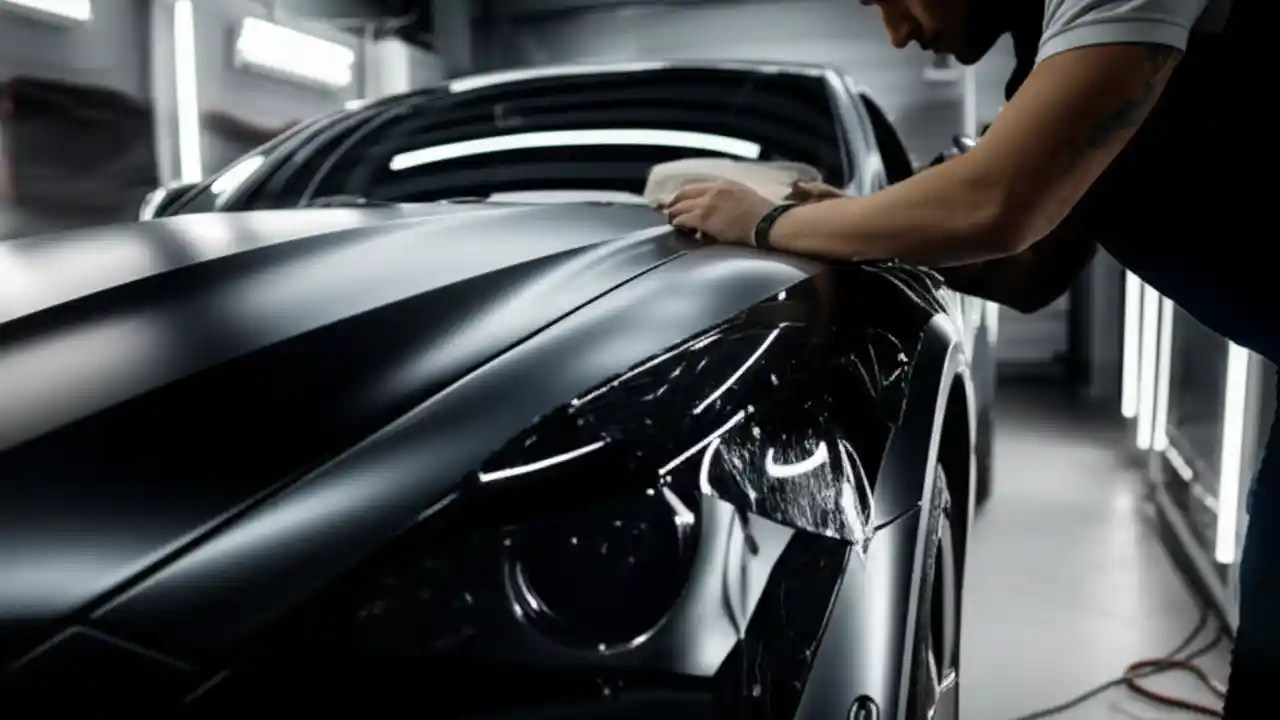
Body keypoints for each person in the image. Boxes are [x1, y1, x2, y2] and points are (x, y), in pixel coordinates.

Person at [663, 0, 1276, 713]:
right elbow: (1029, 265)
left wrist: (771, 221)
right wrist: (849, 227)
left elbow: (1000, 204)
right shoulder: (1049, 65)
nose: (897, 34)